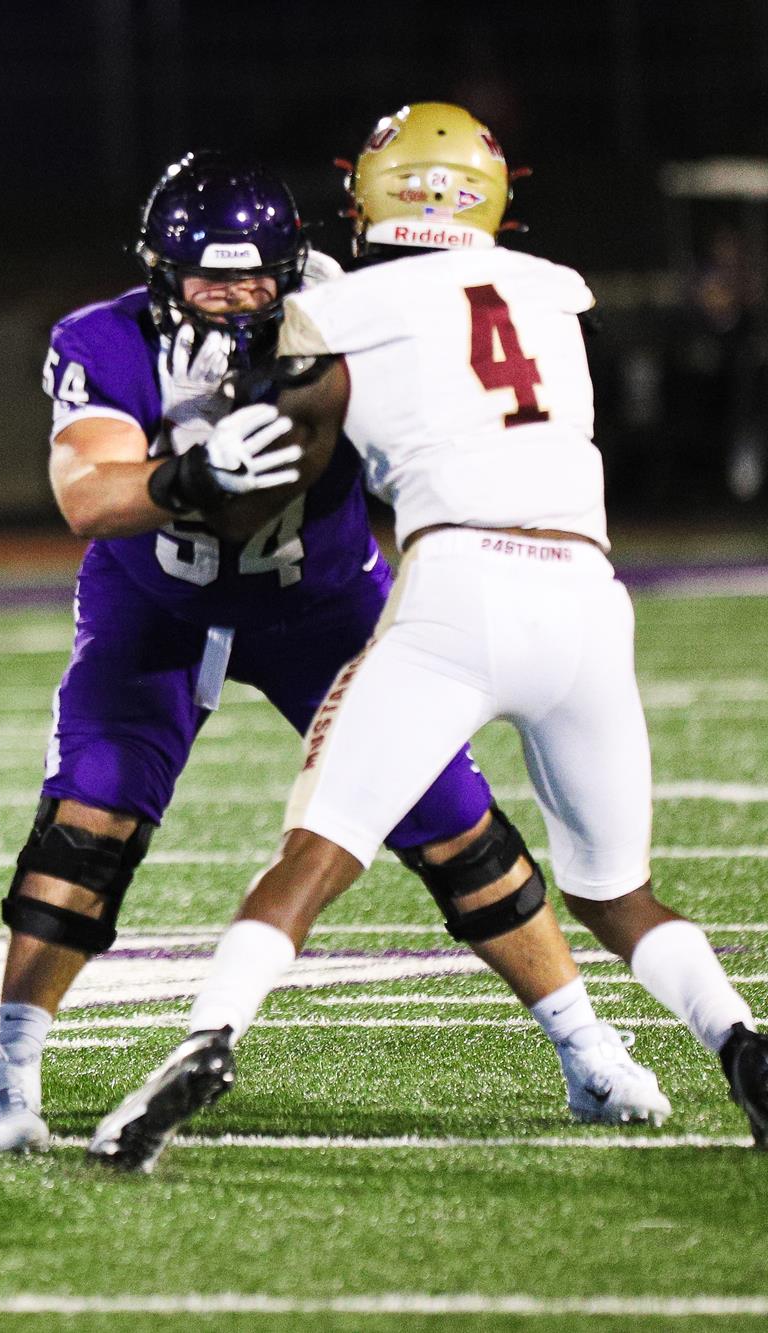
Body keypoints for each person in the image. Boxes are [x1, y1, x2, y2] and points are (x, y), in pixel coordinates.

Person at [88, 105, 768, 1172]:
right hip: (588, 595)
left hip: (459, 585)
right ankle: (737, 1040)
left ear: (366, 195)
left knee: (313, 856)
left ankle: (205, 1039)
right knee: (613, 891)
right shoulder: (553, 295)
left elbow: (268, 475)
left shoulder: (343, 311)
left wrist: (212, 439)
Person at [0, 155, 667, 1155]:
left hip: (318, 604)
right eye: (206, 276)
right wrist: (192, 474)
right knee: (87, 820)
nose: (230, 297)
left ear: (292, 265)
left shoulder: (354, 311)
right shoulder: (104, 335)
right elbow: (86, 495)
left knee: (450, 821)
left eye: (252, 276)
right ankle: (10, 1063)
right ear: (159, 270)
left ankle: (587, 1049)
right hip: (153, 607)